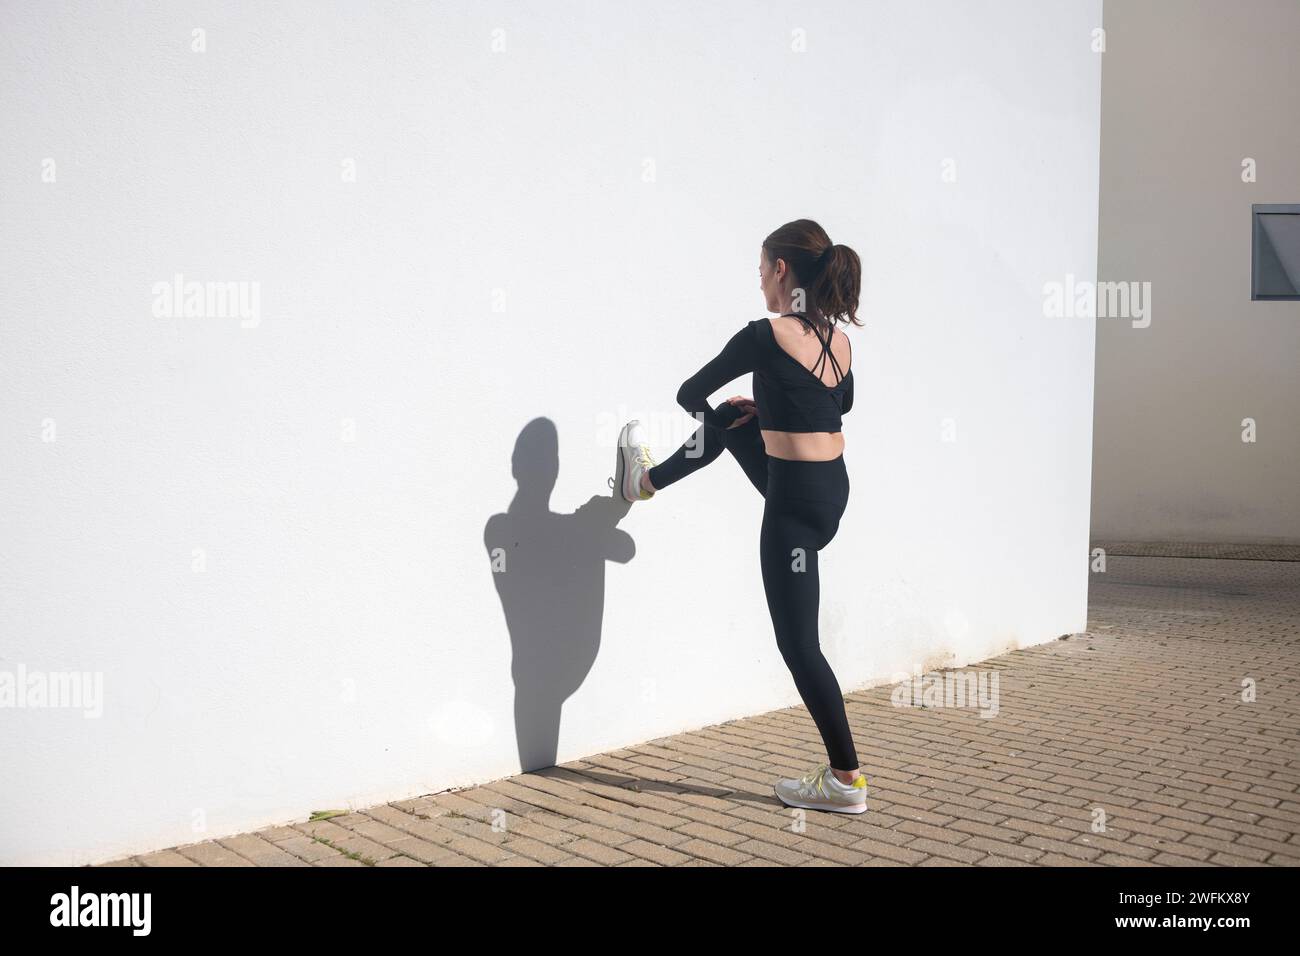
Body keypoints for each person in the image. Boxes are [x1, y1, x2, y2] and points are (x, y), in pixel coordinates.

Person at [613, 218, 868, 814]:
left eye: (761, 271)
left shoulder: (764, 334)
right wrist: (767, 408)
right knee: (736, 425)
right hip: (831, 496)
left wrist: (727, 411)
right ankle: (643, 482)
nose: (759, 285)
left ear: (782, 270)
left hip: (792, 509)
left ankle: (845, 780)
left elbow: (688, 392)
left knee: (799, 644)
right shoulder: (841, 341)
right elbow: (841, 402)